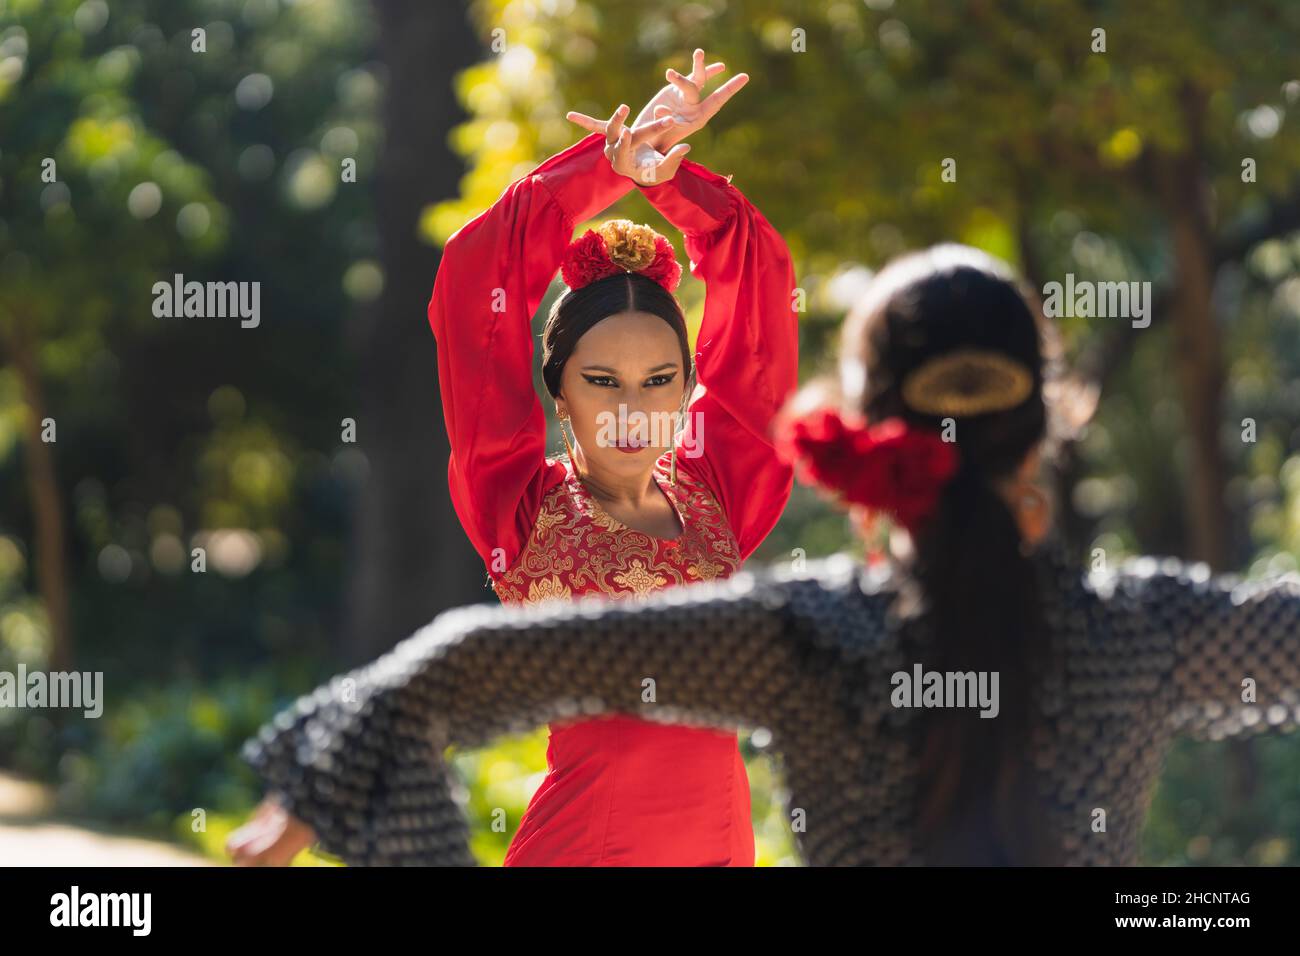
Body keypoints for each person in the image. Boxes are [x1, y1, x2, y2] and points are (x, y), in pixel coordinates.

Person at [230, 242, 1300, 866]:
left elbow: (461, 670)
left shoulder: (801, 640)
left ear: (860, 430)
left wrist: (318, 783)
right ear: (1050, 418)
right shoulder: (1147, 630)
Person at [227, 50, 799, 866]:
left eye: (659, 379)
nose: (634, 408)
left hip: (719, 845)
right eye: (602, 381)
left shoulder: (719, 495)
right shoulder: (524, 506)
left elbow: (760, 310)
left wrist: (671, 180)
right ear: (557, 394)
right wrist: (604, 171)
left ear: (686, 388)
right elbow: (474, 284)